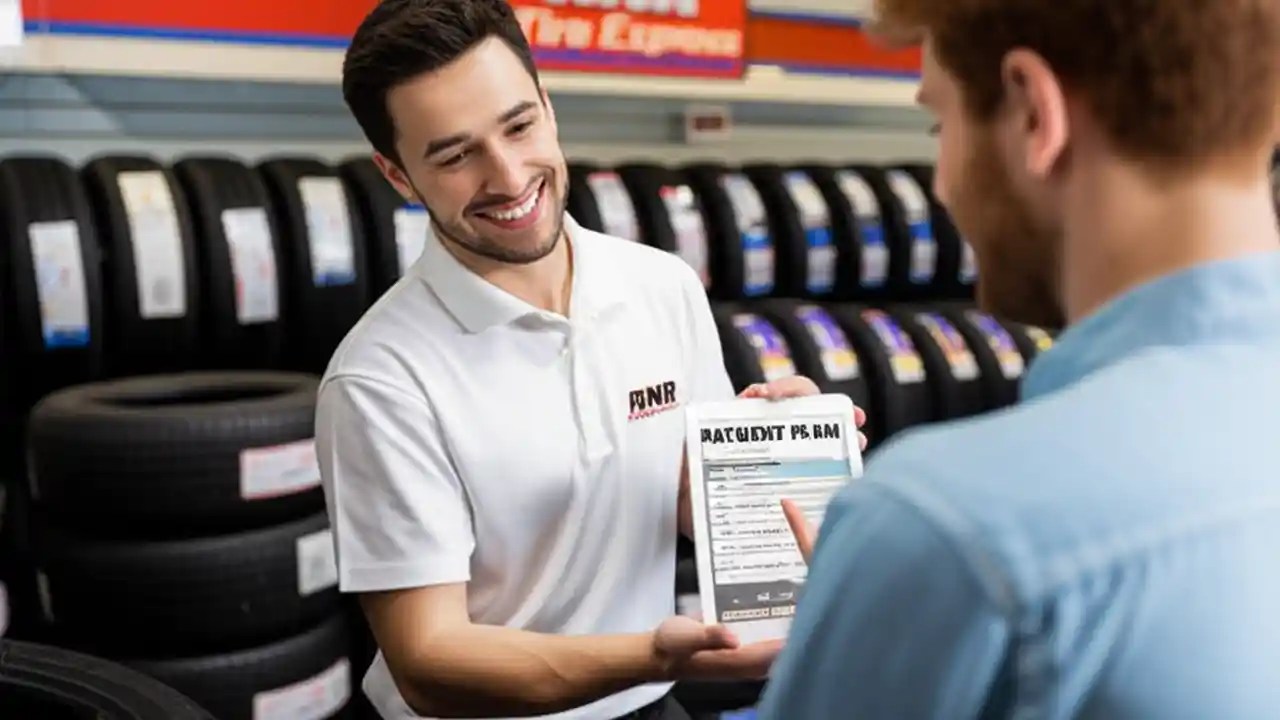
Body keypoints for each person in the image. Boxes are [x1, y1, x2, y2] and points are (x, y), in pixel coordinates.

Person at [317, 2, 865, 718]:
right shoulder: (380, 378)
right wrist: (650, 656)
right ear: (397, 175)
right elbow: (428, 660)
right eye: (455, 156)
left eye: (519, 126)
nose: (508, 176)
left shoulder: (662, 285)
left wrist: (776, 462)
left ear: (548, 106)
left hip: (649, 701)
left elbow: (682, 503)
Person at [761, 1, 1280, 718]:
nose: (941, 184)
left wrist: (879, 584)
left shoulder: (949, 524)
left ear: (1034, 112)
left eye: (941, 125)